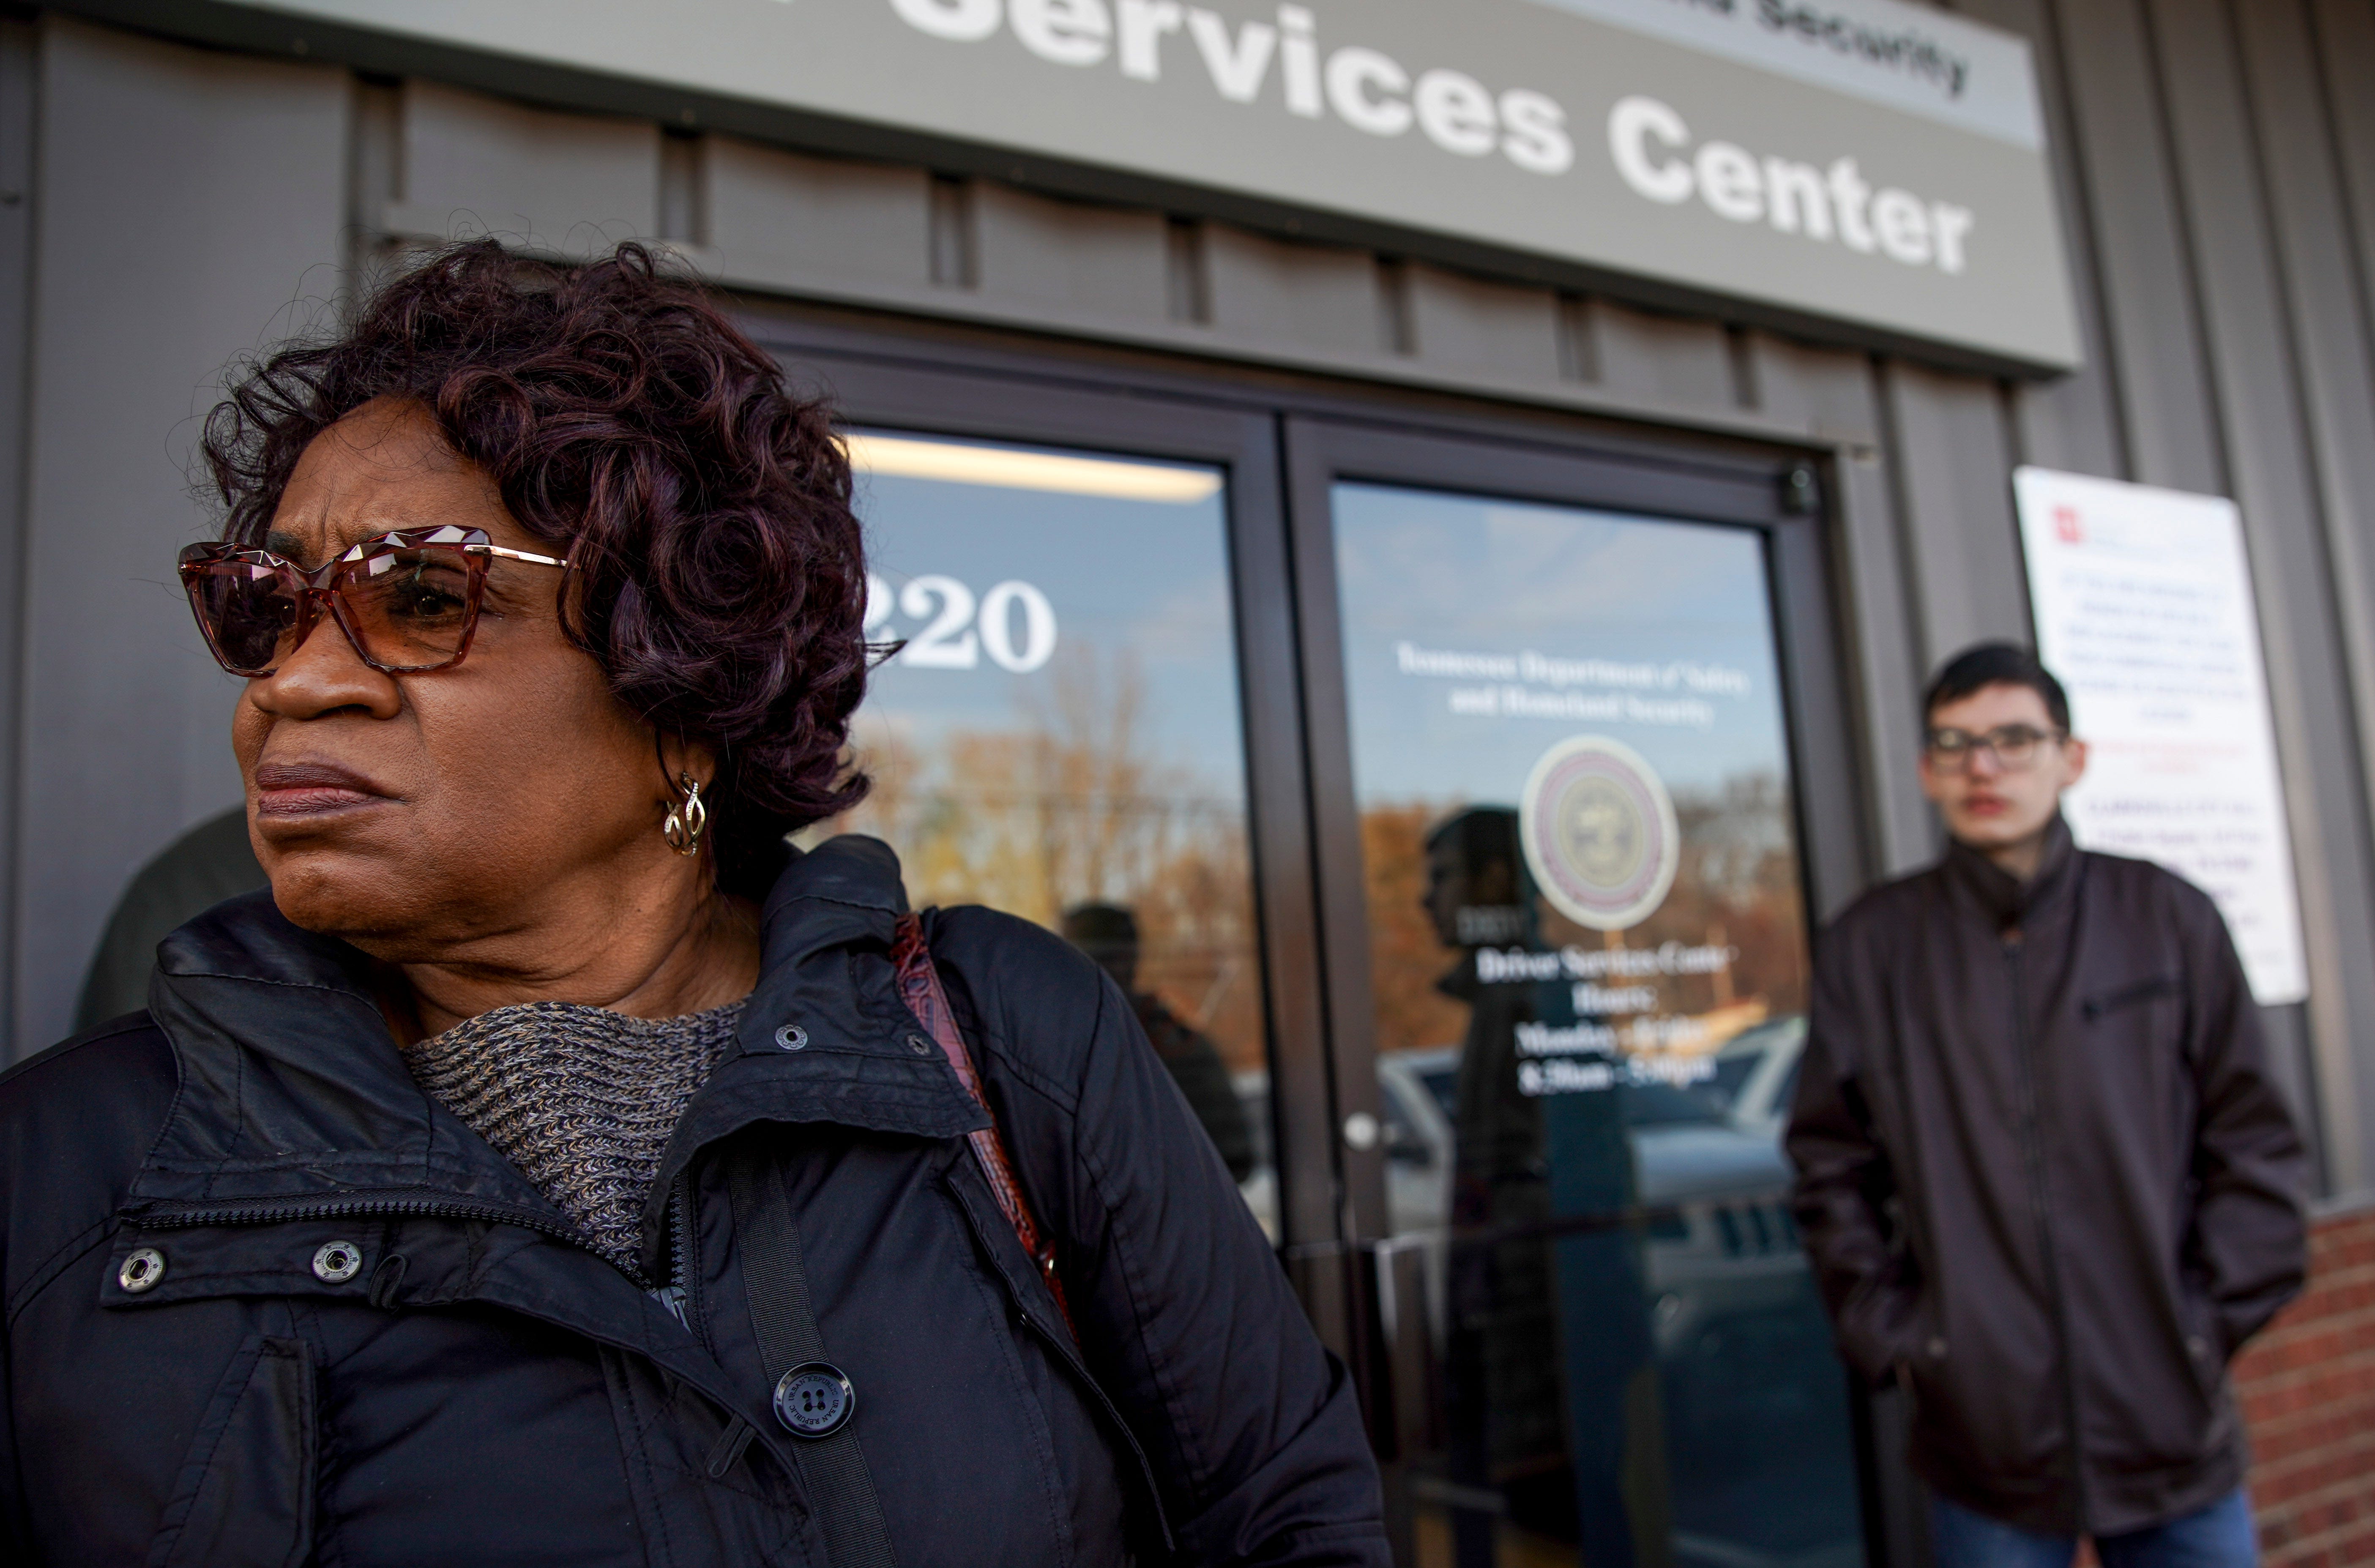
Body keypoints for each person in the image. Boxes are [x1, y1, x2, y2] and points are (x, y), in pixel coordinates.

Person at [0, 239, 1386, 1565]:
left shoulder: (1008, 1044)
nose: (291, 682)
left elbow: (1287, 1516)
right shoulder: (59, 1171)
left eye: (419, 593)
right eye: (267, 605)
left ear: (679, 679)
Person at [1787, 642, 2307, 1568]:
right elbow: (1829, 1167)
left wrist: (2197, 1332)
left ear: (2071, 758)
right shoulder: (1872, 948)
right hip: (1984, 1455)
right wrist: (1904, 1342)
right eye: (1954, 744)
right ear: (1926, 771)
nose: (1981, 766)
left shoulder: (2167, 919)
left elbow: (2254, 1144)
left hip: (2171, 1438)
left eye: (2012, 739)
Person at [1061, 903, 1258, 1183]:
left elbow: (1234, 1157)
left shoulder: (1169, 1044)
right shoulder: (1063, 1044)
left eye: (1082, 959)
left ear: (1125, 961)